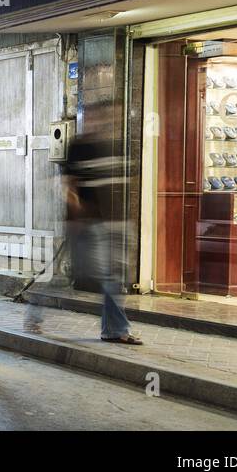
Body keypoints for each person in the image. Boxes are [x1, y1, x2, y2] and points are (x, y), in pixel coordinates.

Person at [63, 123, 143, 345]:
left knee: (113, 278)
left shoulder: (113, 149)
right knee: (82, 275)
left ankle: (115, 330)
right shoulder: (78, 146)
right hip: (88, 224)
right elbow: (69, 186)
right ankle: (35, 310)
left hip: (113, 224)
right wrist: (76, 215)